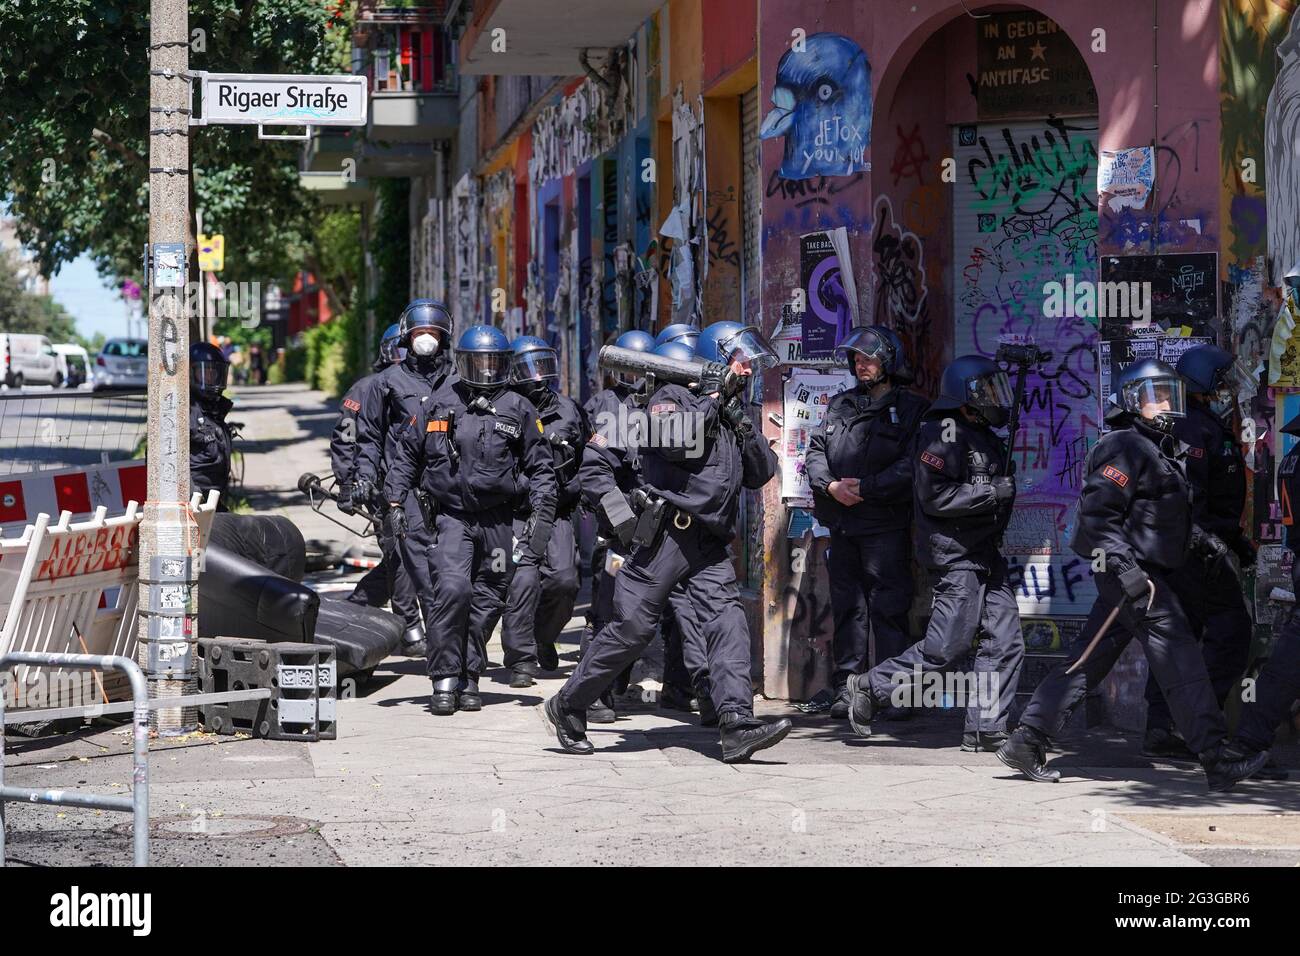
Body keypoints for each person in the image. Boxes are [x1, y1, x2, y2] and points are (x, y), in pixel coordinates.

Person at [997, 359, 1270, 792]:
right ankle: (1216, 757)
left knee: (1089, 659)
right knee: (1182, 660)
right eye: (1155, 394)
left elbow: (1161, 514)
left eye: (1169, 394)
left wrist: (1204, 542)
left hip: (1145, 574)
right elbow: (1098, 515)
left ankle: (1027, 739)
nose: (1165, 403)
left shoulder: (1158, 446)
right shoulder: (1124, 445)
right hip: (1136, 577)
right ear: (1130, 400)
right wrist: (1128, 572)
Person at [544, 320, 793, 763]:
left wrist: (739, 420)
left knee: (727, 623)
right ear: (716, 361)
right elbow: (676, 441)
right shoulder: (670, 399)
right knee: (632, 631)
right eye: (739, 362)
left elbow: (760, 473)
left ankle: (736, 722)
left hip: (709, 542)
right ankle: (568, 704)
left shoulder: (733, 408)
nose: (748, 371)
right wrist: (620, 520)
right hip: (664, 538)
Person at [844, 354, 1024, 752]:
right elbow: (934, 496)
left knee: (1005, 641)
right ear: (965, 397)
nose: (996, 401)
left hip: (984, 554)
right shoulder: (941, 432)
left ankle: (986, 727)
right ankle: (871, 687)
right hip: (955, 556)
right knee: (947, 648)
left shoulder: (985, 438)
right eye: (987, 393)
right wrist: (991, 492)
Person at [385, 324, 558, 716]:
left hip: (498, 520)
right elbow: (408, 456)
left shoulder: (519, 407)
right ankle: (445, 676)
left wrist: (540, 519)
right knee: (452, 589)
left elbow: (542, 468)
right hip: (451, 517)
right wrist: (395, 502)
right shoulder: (439, 403)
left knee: (488, 596)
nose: (484, 371)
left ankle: (470, 674)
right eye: (476, 363)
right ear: (462, 363)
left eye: (492, 364)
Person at [804, 325, 927, 719]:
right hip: (843, 525)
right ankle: (847, 688)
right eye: (856, 359)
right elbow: (815, 451)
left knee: (888, 609)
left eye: (868, 358)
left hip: (885, 527)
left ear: (888, 361)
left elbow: (914, 466)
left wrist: (869, 487)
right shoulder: (841, 405)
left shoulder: (913, 410)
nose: (861, 365)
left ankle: (892, 693)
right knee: (848, 609)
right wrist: (831, 485)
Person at [1140, 345, 1255, 758]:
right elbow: (1189, 497)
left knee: (1179, 638)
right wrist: (1210, 540)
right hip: (1197, 554)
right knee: (1228, 636)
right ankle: (1193, 726)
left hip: (1206, 547)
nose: (1228, 387)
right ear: (1204, 380)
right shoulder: (1190, 428)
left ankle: (1166, 724)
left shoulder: (1206, 422)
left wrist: (1236, 539)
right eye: (1222, 378)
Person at [353, 300, 456, 653]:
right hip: (403, 488)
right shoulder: (386, 384)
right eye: (419, 333)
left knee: (455, 569)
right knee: (411, 566)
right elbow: (368, 438)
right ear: (407, 337)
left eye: (432, 333)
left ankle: (460, 639)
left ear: (444, 338)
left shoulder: (457, 382)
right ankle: (426, 637)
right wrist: (364, 477)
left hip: (449, 488)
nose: (425, 339)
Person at [490, 335, 588, 687]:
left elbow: (587, 454)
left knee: (565, 579)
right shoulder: (503, 407)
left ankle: (543, 635)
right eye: (526, 368)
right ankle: (520, 658)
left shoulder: (567, 409)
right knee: (522, 580)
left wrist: (582, 489)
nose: (536, 375)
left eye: (542, 365)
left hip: (557, 509)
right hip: (516, 511)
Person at [579, 328, 656, 723]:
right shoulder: (605, 407)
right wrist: (621, 520)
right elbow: (595, 475)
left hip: (661, 530)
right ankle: (594, 693)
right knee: (608, 609)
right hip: (619, 535)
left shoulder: (664, 403)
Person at [332, 323, 424, 649]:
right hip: (384, 487)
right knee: (400, 555)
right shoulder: (368, 388)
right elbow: (346, 438)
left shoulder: (422, 384)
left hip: (425, 488)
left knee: (412, 557)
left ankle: (355, 606)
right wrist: (347, 482)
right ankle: (408, 626)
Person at [189, 341, 234, 510]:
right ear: (191, 373)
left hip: (214, 503)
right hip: (194, 505)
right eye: (204, 372)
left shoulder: (215, 410)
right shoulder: (185, 412)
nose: (209, 377)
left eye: (213, 372)